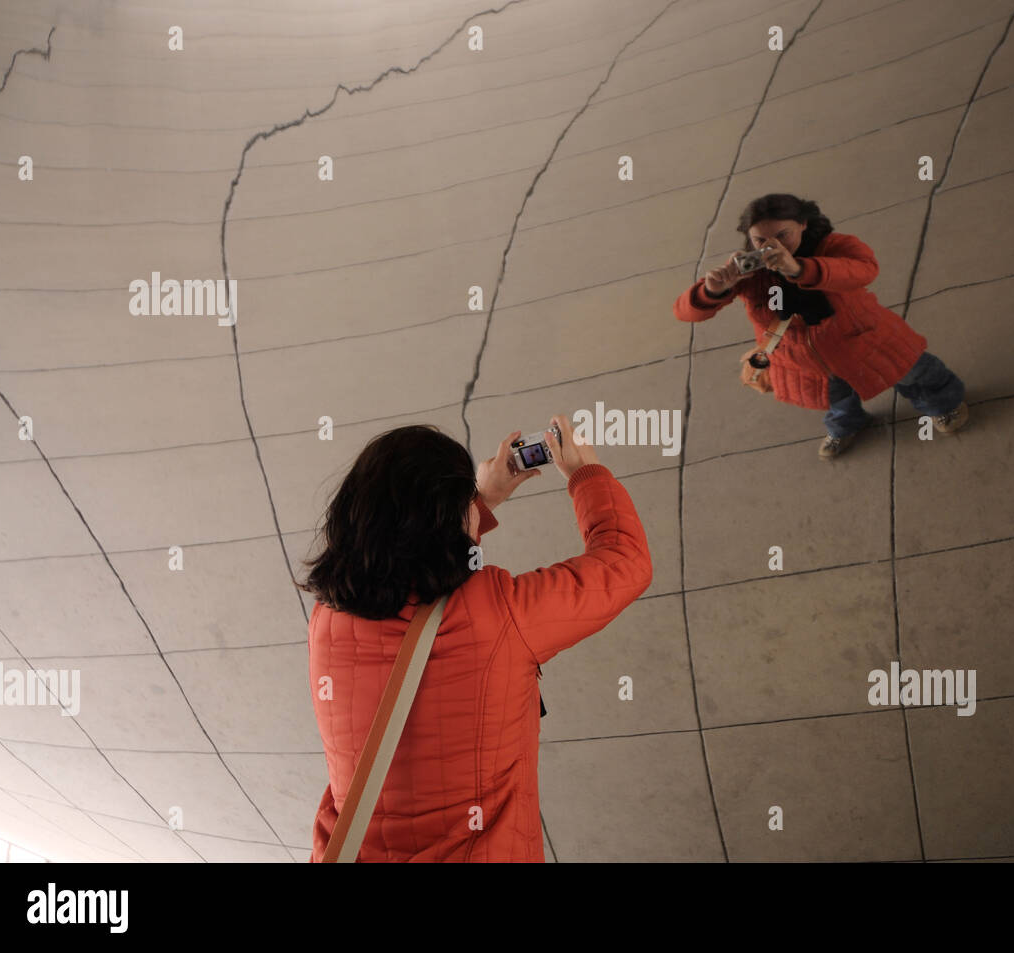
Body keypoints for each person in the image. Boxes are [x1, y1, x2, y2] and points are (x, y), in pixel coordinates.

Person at [296, 415, 651, 861]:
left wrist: (480, 500)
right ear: (449, 514)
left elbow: (415, 566)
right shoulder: (502, 611)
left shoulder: (327, 618)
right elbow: (624, 562)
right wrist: (586, 475)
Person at [673, 193, 969, 458]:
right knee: (836, 398)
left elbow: (864, 270)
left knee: (911, 371)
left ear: (803, 223)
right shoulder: (748, 271)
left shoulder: (834, 246)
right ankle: (848, 424)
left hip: (862, 337)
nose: (771, 246)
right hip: (802, 356)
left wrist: (800, 269)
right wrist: (713, 290)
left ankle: (943, 403)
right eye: (760, 241)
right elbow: (686, 312)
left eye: (782, 235)